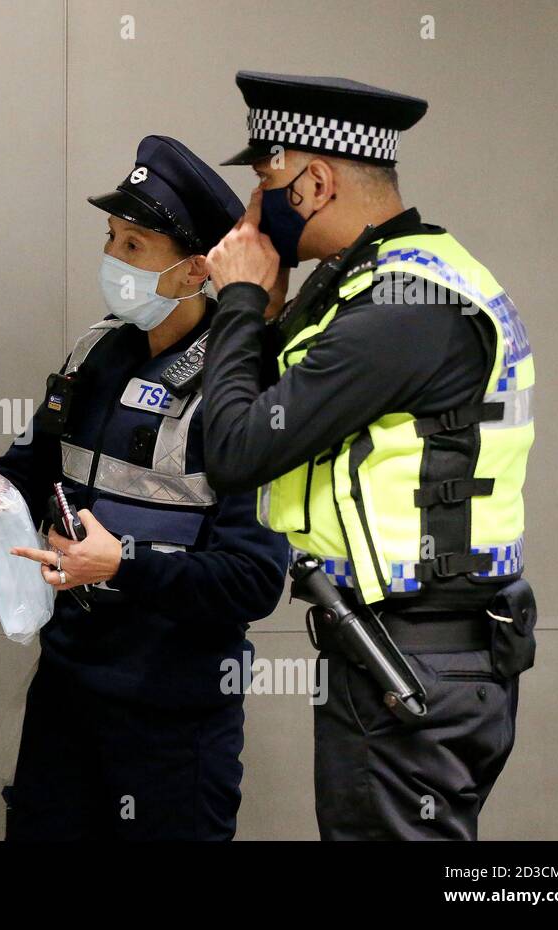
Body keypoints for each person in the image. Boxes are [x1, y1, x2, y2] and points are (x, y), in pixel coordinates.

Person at [202, 71, 538, 840]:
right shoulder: (399, 281)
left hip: (409, 659)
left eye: (265, 179)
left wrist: (242, 298)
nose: (252, 211)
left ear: (315, 182)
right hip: (427, 651)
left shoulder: (398, 308)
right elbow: (259, 412)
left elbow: (232, 448)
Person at [0, 136, 288, 840]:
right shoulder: (95, 353)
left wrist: (122, 564)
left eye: (135, 246)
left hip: (172, 721)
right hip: (66, 696)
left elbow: (253, 580)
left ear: (195, 269)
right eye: (111, 237)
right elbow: (29, 471)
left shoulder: (244, 389)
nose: (113, 260)